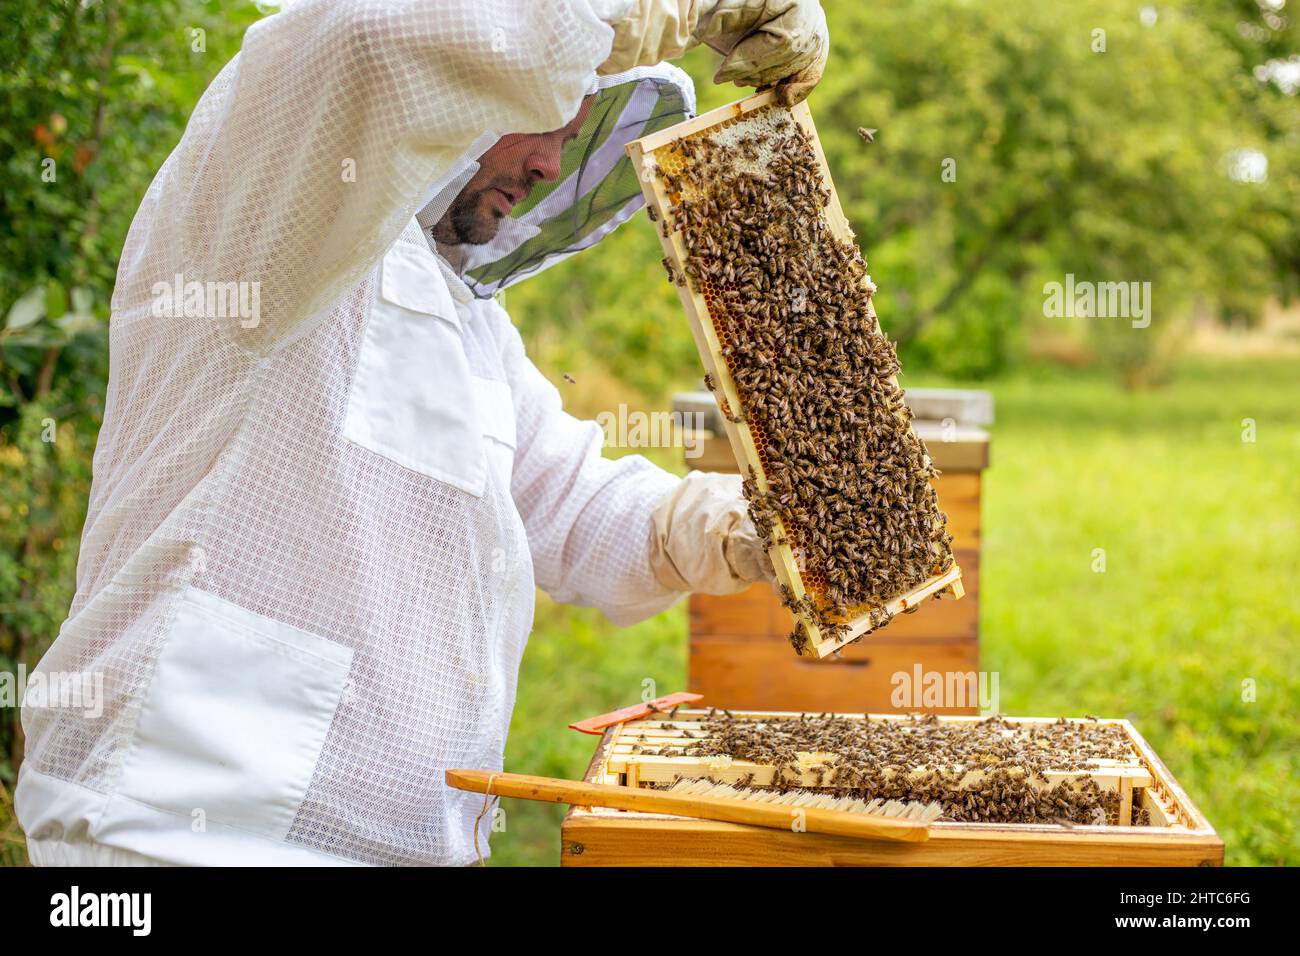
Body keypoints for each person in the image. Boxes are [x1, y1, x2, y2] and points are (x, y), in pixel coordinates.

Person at [16, 0, 828, 866]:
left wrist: (740, 527)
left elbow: (565, 501)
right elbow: (367, 43)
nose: (553, 160)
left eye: (577, 126)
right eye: (542, 113)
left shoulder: (457, 310)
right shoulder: (265, 181)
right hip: (178, 834)